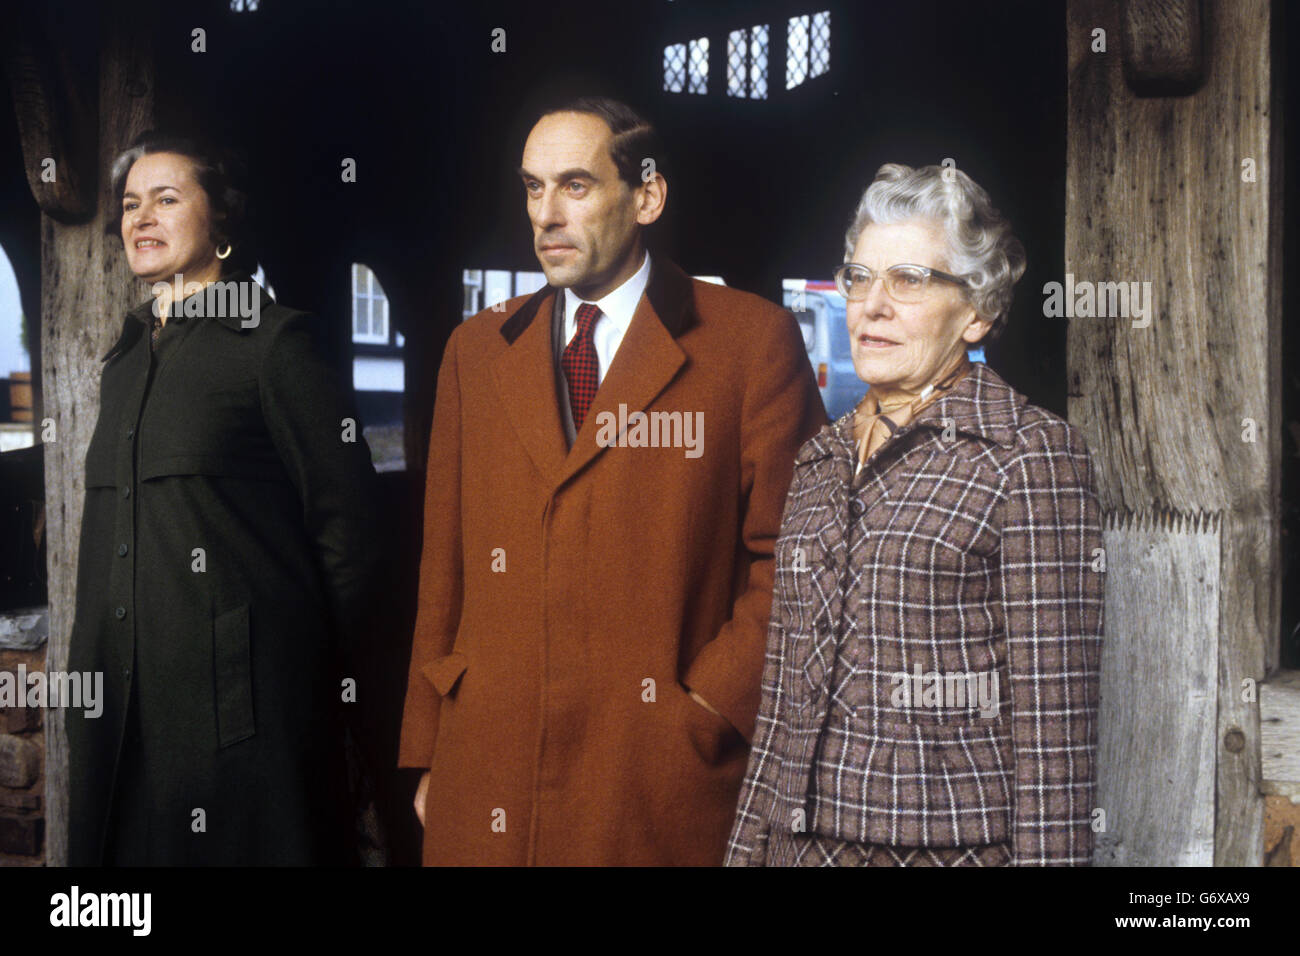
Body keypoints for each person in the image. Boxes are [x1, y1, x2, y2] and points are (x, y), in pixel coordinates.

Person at [398, 96, 826, 865]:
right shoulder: (475, 349)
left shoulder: (750, 343)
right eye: (532, 187)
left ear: (648, 196)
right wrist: (431, 748)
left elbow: (800, 562)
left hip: (651, 781)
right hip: (484, 770)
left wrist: (706, 709)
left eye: (575, 185)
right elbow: (444, 568)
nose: (546, 214)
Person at [726, 163, 1105, 866]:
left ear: (978, 311)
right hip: (798, 850)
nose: (872, 305)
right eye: (859, 278)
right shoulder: (819, 459)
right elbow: (779, 705)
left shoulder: (1028, 456)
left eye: (909, 280)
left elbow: (1055, 732)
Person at [67, 130, 381, 865]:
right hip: (120, 715)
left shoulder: (274, 346)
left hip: (240, 724)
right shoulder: (122, 363)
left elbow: (354, 542)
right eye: (130, 204)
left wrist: (309, 688)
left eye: (167, 199)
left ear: (223, 222)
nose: (140, 217)